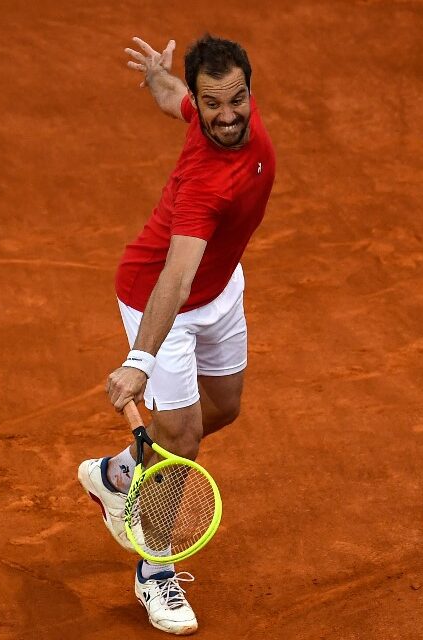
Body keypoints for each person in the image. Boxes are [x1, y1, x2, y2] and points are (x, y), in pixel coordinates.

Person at [78, 33, 276, 635]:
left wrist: (158, 78)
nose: (226, 116)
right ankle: (153, 566)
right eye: (212, 105)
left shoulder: (210, 105)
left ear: (246, 88)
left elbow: (174, 100)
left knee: (224, 406)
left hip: (220, 290)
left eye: (235, 100)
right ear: (204, 98)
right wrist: (141, 358)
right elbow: (176, 274)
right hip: (160, 299)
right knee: (182, 440)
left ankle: (117, 474)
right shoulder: (204, 185)